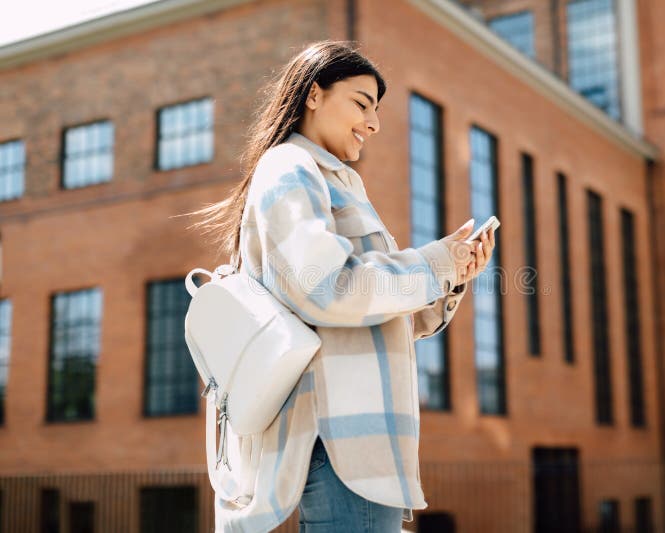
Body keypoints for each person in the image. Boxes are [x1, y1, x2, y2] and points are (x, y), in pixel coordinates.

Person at [187, 40, 496, 532]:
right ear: (314, 94)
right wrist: (434, 263)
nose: (373, 123)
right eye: (361, 103)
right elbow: (327, 287)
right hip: (343, 444)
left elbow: (373, 315)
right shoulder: (290, 167)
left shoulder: (339, 180)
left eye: (377, 110)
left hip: (356, 445)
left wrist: (451, 276)